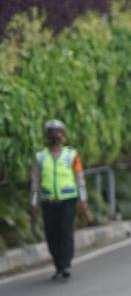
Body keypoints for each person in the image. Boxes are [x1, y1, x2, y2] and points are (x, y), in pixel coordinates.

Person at [30, 120, 88, 280]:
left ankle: (66, 265)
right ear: (47, 136)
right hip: (48, 201)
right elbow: (35, 180)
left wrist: (83, 199)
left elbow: (79, 177)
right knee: (51, 234)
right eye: (51, 132)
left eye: (58, 132)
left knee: (65, 232)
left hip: (68, 199)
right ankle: (58, 265)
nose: (55, 135)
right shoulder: (40, 157)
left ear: (63, 135)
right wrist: (33, 202)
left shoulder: (72, 155)